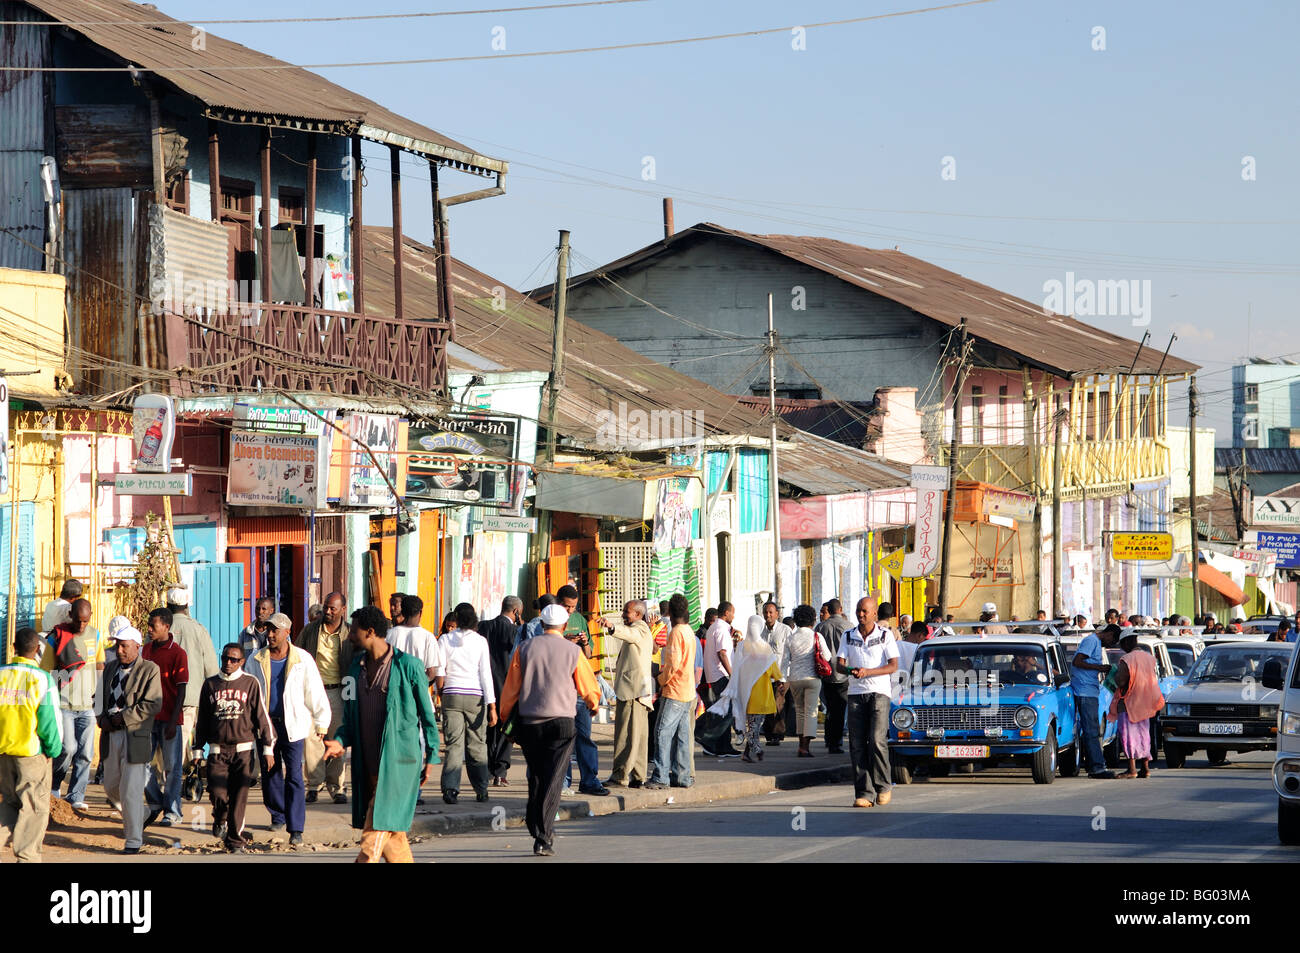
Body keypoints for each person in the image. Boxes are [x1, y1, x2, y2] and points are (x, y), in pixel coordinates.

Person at [322, 606, 440, 863]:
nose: (350, 635)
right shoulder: (355, 669)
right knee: (393, 836)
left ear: (371, 632)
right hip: (369, 766)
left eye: (354, 630)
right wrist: (339, 741)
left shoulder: (408, 666)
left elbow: (427, 716)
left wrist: (432, 755)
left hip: (400, 765)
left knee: (374, 832)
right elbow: (350, 721)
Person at [498, 603, 600, 856]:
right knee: (554, 778)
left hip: (530, 722)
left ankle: (535, 823)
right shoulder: (573, 650)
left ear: (542, 625)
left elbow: (511, 689)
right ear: (564, 626)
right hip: (562, 722)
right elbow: (588, 686)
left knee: (536, 774)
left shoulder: (525, 648)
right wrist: (593, 703)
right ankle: (543, 835)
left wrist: (503, 716)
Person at [247, 612, 330, 846]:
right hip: (267, 725)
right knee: (270, 773)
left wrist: (322, 721)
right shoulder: (256, 658)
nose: (270, 634)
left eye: (275, 630)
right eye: (268, 630)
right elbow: (251, 694)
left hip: (293, 724)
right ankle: (277, 814)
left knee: (294, 775)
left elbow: (314, 691)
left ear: (287, 633)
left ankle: (296, 827)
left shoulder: (302, 659)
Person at [193, 643, 276, 852]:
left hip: (244, 750)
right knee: (218, 793)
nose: (228, 663)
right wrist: (197, 749)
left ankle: (235, 841)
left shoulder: (250, 683)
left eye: (233, 660)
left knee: (239, 798)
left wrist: (268, 748)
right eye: (225, 659)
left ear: (242, 661)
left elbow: (261, 717)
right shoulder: (210, 684)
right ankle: (220, 816)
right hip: (217, 750)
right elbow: (202, 719)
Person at [95, 625, 161, 854]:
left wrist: (123, 717)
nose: (120, 650)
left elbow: (153, 704)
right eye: (117, 645)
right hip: (110, 735)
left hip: (136, 736)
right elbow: (98, 699)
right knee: (112, 786)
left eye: (124, 645)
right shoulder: (110, 668)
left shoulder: (150, 670)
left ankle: (133, 839)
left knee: (131, 789)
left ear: (137, 646)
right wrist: (101, 718)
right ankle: (142, 814)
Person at [0, 627, 63, 862]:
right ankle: (26, 858)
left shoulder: (1, 674)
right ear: (37, 650)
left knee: (9, 803)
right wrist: (53, 751)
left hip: (4, 752)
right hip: (31, 753)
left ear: (14, 647)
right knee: (34, 807)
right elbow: (49, 723)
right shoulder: (42, 679)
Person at [41, 597, 104, 809]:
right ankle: (55, 785)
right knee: (67, 748)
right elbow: (46, 672)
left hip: (87, 706)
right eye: (78, 620)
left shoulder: (95, 636)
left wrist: (100, 700)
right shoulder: (58, 636)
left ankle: (76, 795)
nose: (81, 625)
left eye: (85, 621)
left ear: (90, 618)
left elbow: (100, 666)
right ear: (70, 616)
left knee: (85, 754)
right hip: (64, 705)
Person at [837, 597, 899, 808]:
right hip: (856, 692)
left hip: (879, 692)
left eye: (864, 611)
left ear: (874, 614)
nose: (861, 615)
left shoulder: (885, 635)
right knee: (856, 744)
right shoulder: (848, 635)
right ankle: (864, 792)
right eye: (858, 611)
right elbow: (839, 664)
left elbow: (892, 666)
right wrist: (849, 671)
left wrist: (869, 672)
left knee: (876, 739)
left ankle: (883, 785)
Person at [436, 603, 497, 804]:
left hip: (451, 695)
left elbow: (440, 671)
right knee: (477, 745)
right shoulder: (481, 642)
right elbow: (485, 674)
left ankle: (450, 790)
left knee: (453, 744)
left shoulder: (445, 639)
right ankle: (481, 789)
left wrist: (440, 693)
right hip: (475, 697)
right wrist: (492, 706)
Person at [296, 591, 351, 804]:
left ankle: (337, 787)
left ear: (342, 610)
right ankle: (313, 785)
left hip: (338, 691)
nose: (328, 612)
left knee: (336, 739)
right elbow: (297, 655)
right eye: (326, 607)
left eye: (332, 608)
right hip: (313, 692)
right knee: (312, 739)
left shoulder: (349, 634)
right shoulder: (311, 630)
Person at [556, 584, 608, 796]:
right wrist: (565, 642)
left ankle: (589, 780)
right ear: (558, 603)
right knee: (563, 741)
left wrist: (584, 643)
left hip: (578, 690)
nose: (570, 611)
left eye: (573, 607)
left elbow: (587, 654)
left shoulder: (579, 620)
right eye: (567, 607)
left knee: (584, 737)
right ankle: (563, 782)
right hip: (559, 691)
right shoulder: (549, 620)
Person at [711, 620, 784, 763]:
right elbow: (773, 669)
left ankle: (747, 752)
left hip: (746, 692)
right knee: (755, 724)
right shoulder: (764, 647)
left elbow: (737, 666)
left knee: (753, 724)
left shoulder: (743, 646)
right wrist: (780, 680)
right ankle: (756, 749)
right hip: (762, 692)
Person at [141, 607, 189, 827]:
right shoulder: (146, 650)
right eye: (149, 625)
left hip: (169, 719)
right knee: (141, 765)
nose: (149, 629)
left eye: (154, 626)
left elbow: (181, 690)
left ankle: (173, 811)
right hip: (147, 719)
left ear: (166, 627)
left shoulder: (178, 653)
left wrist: (173, 721)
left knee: (172, 767)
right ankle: (155, 801)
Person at [166, 587, 220, 777]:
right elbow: (212, 668)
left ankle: (170, 777)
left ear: (168, 605)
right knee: (181, 736)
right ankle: (172, 780)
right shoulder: (198, 629)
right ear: (186, 605)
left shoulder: (160, 627)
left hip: (163, 695)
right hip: (190, 695)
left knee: (168, 738)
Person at [601, 599, 654, 788]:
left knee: (626, 736)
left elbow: (628, 633)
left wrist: (611, 626)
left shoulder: (639, 628)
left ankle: (620, 776)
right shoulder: (642, 629)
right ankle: (638, 776)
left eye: (627, 612)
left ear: (638, 615)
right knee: (638, 737)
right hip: (636, 691)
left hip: (633, 692)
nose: (624, 614)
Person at [647, 593, 697, 789]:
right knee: (682, 736)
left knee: (662, 733)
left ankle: (661, 776)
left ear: (669, 612)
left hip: (674, 690)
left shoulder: (675, 632)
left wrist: (660, 680)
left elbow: (672, 665)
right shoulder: (689, 631)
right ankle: (682, 776)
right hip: (687, 690)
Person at [1107, 632, 1165, 779]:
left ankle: (1131, 769)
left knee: (1128, 735)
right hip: (1146, 703)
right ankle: (1145, 768)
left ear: (1126, 643)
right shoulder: (1149, 658)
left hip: (1129, 703)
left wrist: (1112, 674)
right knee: (1144, 735)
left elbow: (1120, 681)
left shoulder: (1127, 659)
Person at [479, 596, 523, 785]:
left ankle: (488, 769)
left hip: (485, 685)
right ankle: (500, 770)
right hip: (508, 687)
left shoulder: (483, 627)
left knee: (488, 729)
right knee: (507, 728)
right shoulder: (515, 631)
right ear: (516, 612)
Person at [781, 604, 832, 758]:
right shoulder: (816, 636)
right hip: (812, 678)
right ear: (812, 619)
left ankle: (801, 745)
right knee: (811, 711)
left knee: (800, 711)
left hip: (795, 679)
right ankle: (805, 747)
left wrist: (782, 680)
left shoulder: (790, 637)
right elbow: (828, 656)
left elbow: (784, 661)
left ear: (796, 620)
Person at [1071, 623, 1121, 779]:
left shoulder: (1096, 643)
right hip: (1084, 690)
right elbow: (1077, 661)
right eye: (1112, 641)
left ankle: (1095, 765)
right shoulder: (1092, 640)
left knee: (1092, 730)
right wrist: (1099, 668)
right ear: (1109, 634)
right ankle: (1097, 768)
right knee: (1092, 730)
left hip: (1090, 689)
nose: (1109, 645)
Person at [698, 601, 741, 757]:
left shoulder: (713, 628)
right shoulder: (722, 629)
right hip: (721, 675)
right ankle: (707, 737)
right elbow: (722, 653)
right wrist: (732, 674)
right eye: (733, 613)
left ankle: (718, 747)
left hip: (714, 675)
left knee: (722, 711)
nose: (734, 616)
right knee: (726, 713)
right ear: (727, 613)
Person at [815, 598, 853, 754]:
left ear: (828, 611)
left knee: (830, 708)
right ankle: (835, 742)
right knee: (840, 708)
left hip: (827, 673)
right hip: (844, 673)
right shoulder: (849, 627)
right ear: (841, 609)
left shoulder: (821, 627)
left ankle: (830, 739)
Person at [756, 601, 794, 747]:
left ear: (777, 614)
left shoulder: (785, 630)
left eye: (771, 612)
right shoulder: (761, 632)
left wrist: (788, 674)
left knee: (778, 704)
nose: (768, 615)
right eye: (766, 612)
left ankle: (777, 734)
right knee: (767, 705)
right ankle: (769, 734)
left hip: (782, 675)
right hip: (765, 676)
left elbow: (791, 652)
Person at [895, 620, 930, 697]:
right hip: (911, 690)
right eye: (924, 639)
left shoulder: (896, 644)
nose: (923, 641)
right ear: (920, 635)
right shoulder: (919, 650)